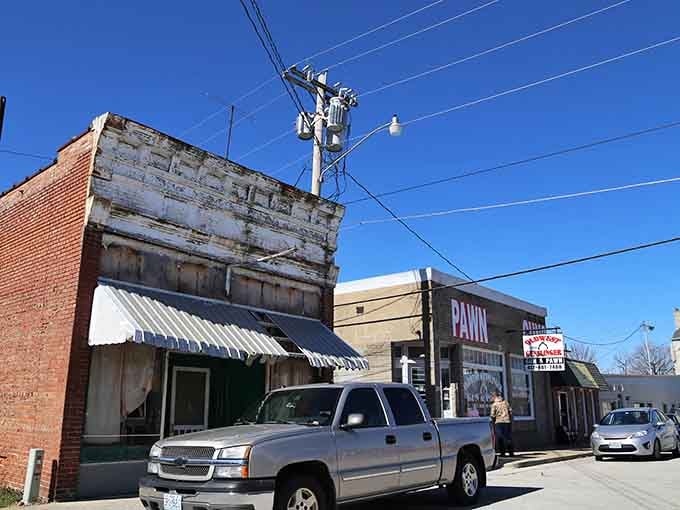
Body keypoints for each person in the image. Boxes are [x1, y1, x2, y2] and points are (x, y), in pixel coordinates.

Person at [490, 391, 514, 457]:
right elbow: (510, 412)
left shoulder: (494, 404)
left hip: (499, 422)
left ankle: (502, 453)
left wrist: (492, 422)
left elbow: (492, 415)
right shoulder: (506, 402)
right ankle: (511, 452)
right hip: (507, 421)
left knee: (500, 438)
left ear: (495, 396)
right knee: (508, 437)